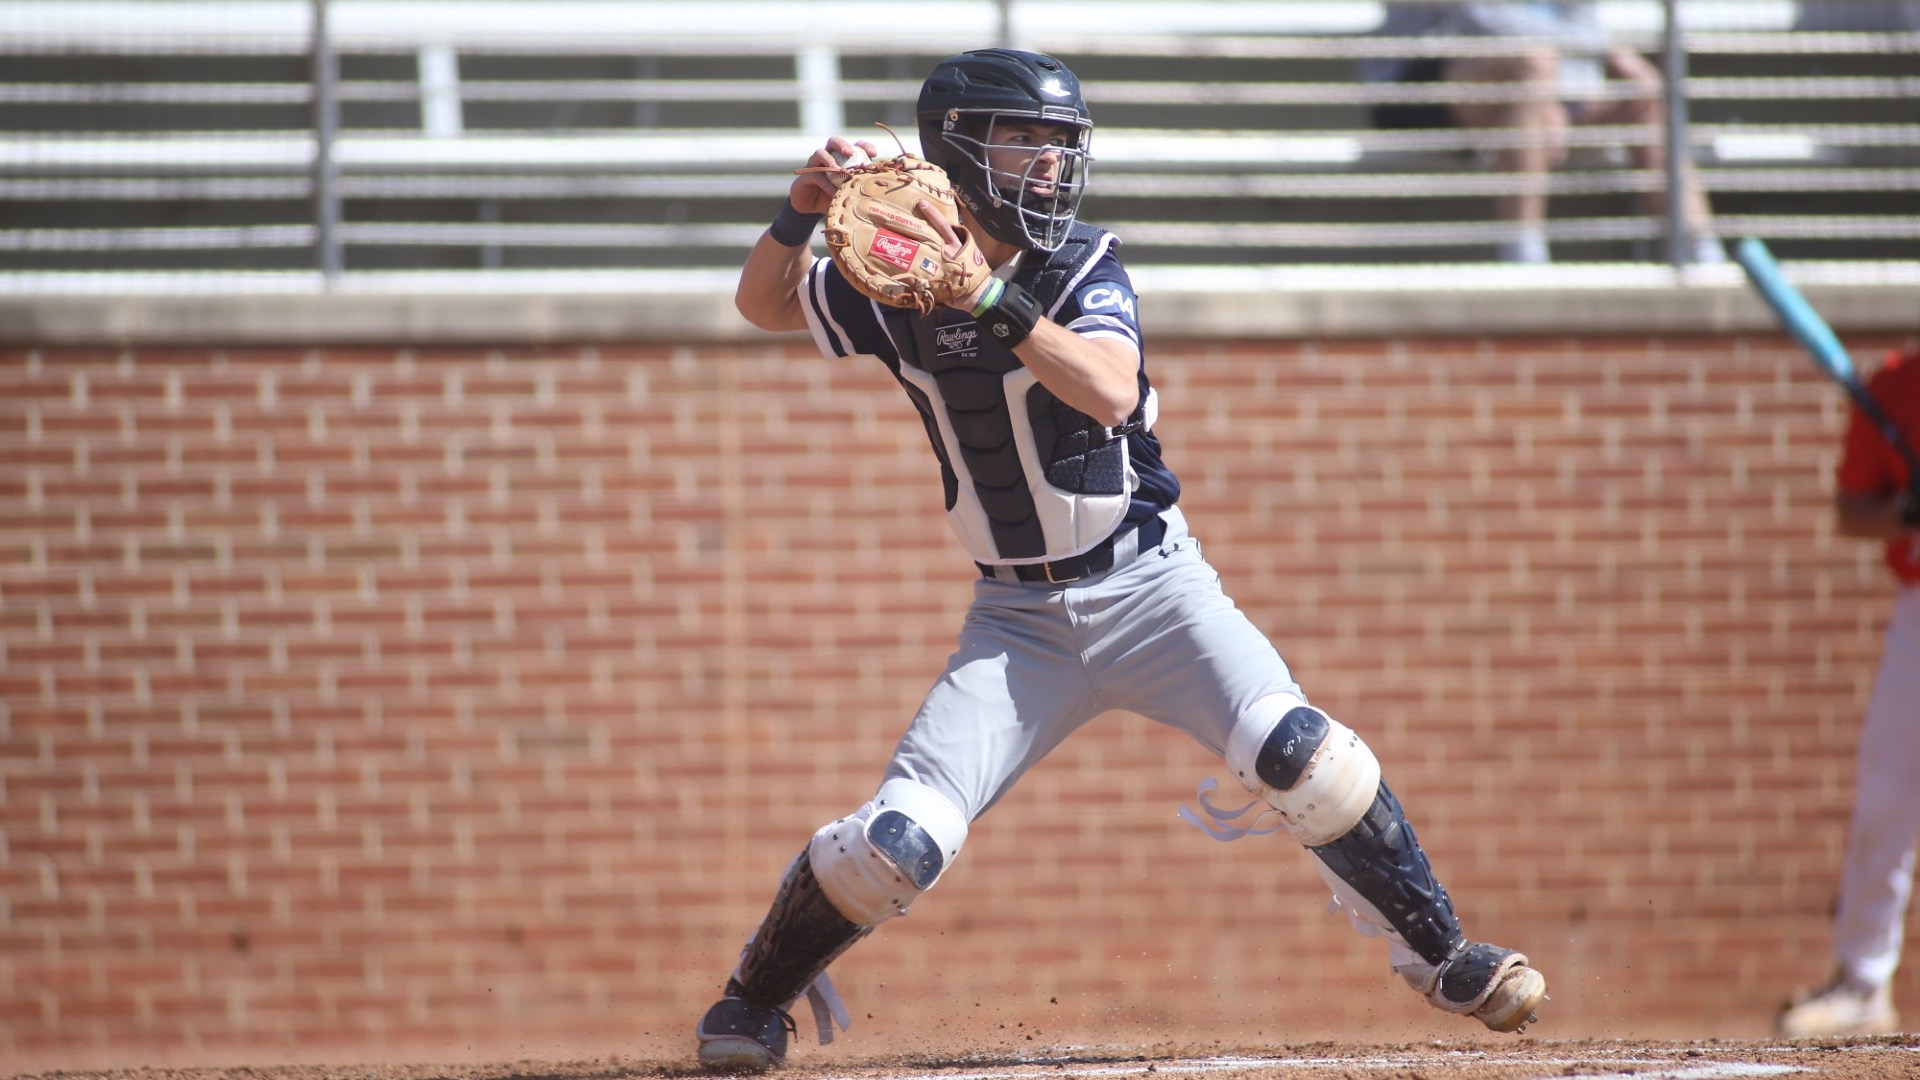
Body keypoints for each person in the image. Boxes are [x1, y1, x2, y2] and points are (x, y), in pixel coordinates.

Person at [696, 48, 1550, 1072]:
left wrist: (985, 296)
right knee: (899, 844)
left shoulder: (1083, 263)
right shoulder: (901, 281)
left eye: (1063, 147)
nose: (1051, 168)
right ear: (957, 151)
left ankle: (1445, 957)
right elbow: (765, 303)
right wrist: (797, 209)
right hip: (1015, 622)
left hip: (1152, 589)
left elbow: (1106, 385)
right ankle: (753, 998)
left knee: (1304, 758)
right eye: (1026, 142)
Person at [1775, 342, 1920, 1037]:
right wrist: (1906, 513)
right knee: (1887, 794)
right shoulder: (1893, 383)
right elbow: (1852, 510)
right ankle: (1863, 982)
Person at [1359, 2, 1722, 264]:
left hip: (1539, 86)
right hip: (1418, 83)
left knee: (1645, 95)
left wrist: (1565, 91)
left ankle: (1700, 253)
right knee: (1532, 66)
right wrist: (1600, 54)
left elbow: (1583, 21)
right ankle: (1523, 253)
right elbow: (1485, 20)